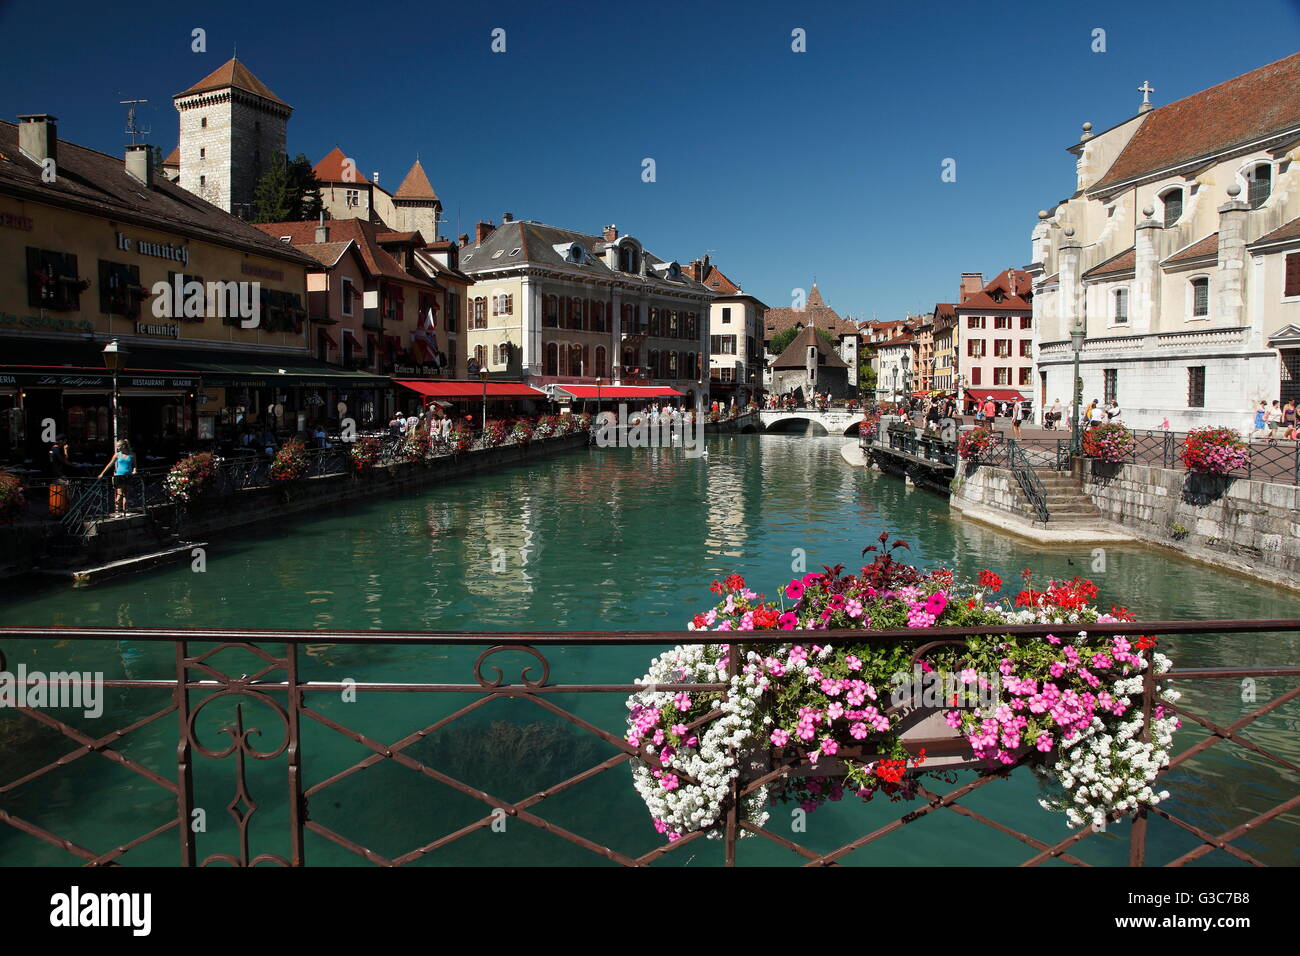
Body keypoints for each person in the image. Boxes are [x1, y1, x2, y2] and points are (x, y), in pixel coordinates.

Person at [97, 439, 136, 516]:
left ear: (123, 446)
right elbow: (110, 464)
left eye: (118, 446)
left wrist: (135, 471)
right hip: (119, 475)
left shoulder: (132, 454)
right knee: (119, 494)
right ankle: (117, 511)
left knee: (126, 494)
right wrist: (102, 473)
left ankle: (126, 510)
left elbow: (134, 465)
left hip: (128, 475)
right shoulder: (117, 455)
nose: (117, 447)